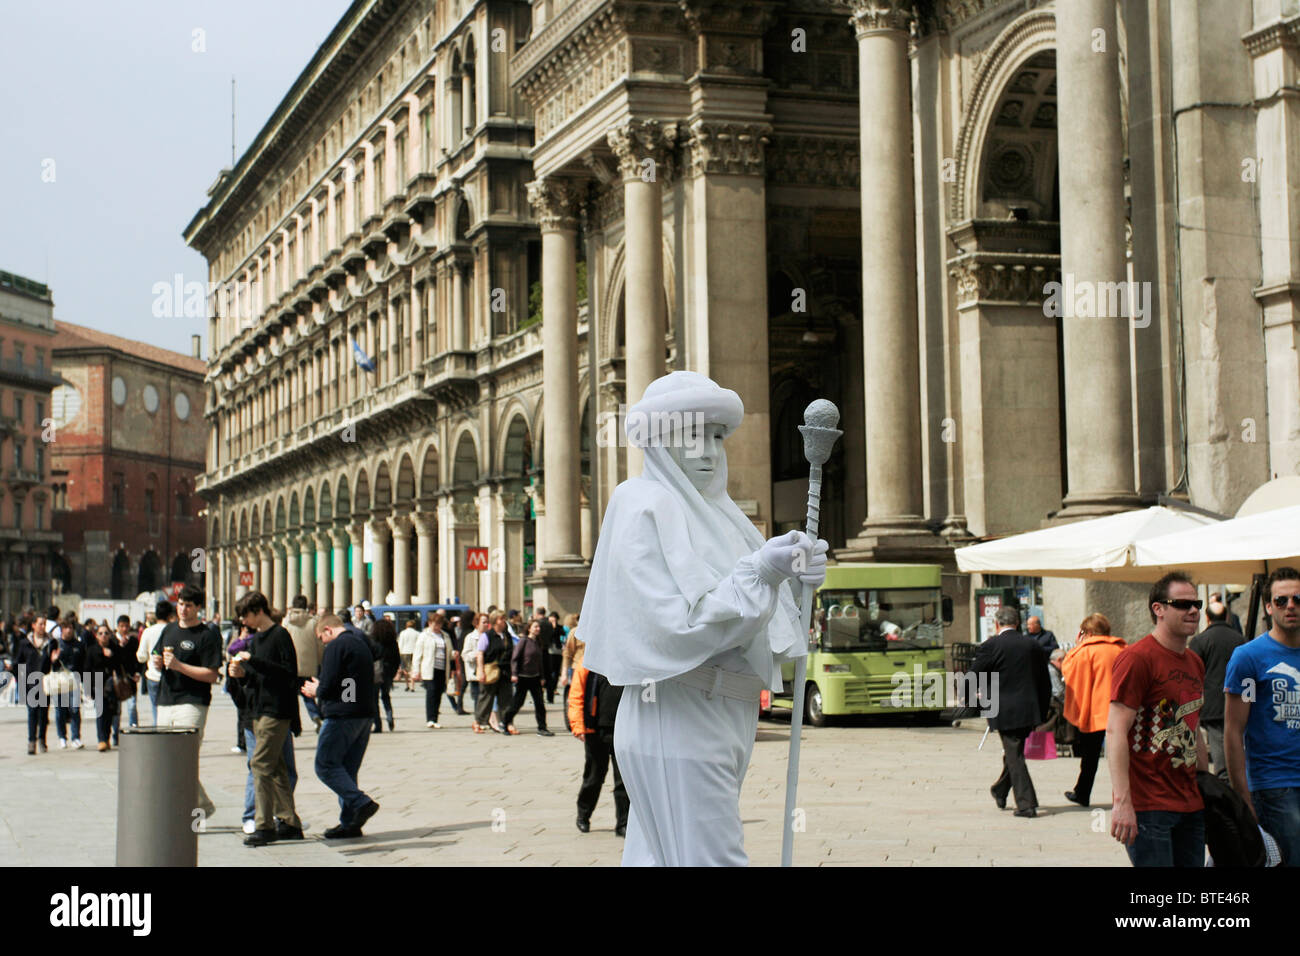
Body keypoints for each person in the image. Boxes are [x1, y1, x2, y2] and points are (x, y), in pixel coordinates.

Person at [579, 371, 822, 866]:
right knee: (712, 859)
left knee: (661, 859)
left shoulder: (722, 515)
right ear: (663, 444)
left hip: (722, 714)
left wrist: (794, 576)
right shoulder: (641, 502)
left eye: (716, 436)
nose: (710, 451)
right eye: (693, 436)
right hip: (678, 712)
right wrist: (762, 572)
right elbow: (675, 627)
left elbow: (754, 617)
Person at [1107, 570, 1207, 867]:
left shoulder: (1195, 662)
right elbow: (1114, 732)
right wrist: (1122, 802)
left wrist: (1206, 784)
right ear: (1158, 609)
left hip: (1191, 803)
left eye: (1197, 604)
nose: (1192, 611)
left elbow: (1193, 726)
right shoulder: (1137, 658)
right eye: (1182, 604)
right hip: (1149, 806)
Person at [1224, 565, 1300, 865]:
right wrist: (1242, 797)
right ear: (1268, 607)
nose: (1290, 606)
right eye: (1281, 600)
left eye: (1298, 599)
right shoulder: (1250, 658)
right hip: (1275, 786)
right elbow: (1233, 731)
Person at [228, 590, 304, 847]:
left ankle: (264, 825)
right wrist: (240, 673)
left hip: (277, 710)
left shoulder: (280, 635)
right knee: (277, 768)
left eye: (245, 616)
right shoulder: (255, 639)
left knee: (259, 765)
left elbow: (288, 673)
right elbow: (254, 678)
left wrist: (255, 662)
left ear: (259, 611)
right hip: (258, 710)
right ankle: (290, 822)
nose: (243, 622)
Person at [303, 614, 381, 839]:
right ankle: (350, 823)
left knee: (325, 765)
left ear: (328, 630)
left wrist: (316, 690)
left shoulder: (337, 646)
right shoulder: (360, 642)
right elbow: (349, 685)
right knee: (347, 770)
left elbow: (329, 684)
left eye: (321, 638)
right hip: (363, 714)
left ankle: (361, 803)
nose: (322, 643)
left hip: (342, 716)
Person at [972, 605, 1052, 818]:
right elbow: (1045, 681)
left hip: (1003, 709)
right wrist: (1042, 710)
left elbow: (974, 675)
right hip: (1030, 708)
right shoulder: (1032, 645)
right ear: (1017, 623)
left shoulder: (991, 645)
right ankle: (1000, 789)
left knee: (1014, 754)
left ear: (997, 623)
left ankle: (1026, 804)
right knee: (1014, 752)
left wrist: (976, 703)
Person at [153, 585, 222, 818]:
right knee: (167, 760)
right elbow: (157, 656)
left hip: (192, 702)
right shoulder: (169, 630)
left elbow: (212, 674)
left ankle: (185, 810)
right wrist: (156, 663)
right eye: (180, 604)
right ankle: (200, 804)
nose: (183, 609)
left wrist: (179, 666)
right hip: (165, 700)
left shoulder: (206, 635)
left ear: (198, 608)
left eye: (188, 605)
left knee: (183, 758)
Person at [1061, 612, 1126, 806]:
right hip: (1121, 709)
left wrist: (1078, 645)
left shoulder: (1084, 651)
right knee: (1123, 755)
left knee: (1090, 757)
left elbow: (1067, 670)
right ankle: (1124, 795)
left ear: (1087, 632)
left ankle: (1082, 793)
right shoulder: (1122, 649)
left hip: (1096, 711)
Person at [569, 663, 628, 835]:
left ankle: (623, 823)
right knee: (594, 777)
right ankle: (583, 815)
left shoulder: (627, 663)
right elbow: (576, 696)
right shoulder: (588, 665)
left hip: (622, 729)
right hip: (595, 730)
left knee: (624, 781)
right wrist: (578, 725)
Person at [1189, 599, 1246, 779]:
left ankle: (1225, 788)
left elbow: (1194, 676)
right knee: (1238, 746)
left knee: (1220, 753)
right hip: (1240, 701)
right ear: (1227, 617)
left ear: (1207, 617)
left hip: (1213, 705)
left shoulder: (1199, 641)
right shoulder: (1241, 640)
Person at [502, 619, 553, 736]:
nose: (538, 629)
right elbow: (515, 658)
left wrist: (542, 677)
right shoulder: (523, 641)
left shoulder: (538, 642)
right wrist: (514, 674)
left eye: (538, 627)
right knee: (517, 703)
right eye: (535, 627)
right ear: (529, 628)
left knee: (539, 703)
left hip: (535, 677)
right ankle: (505, 722)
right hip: (523, 677)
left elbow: (540, 662)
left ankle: (542, 727)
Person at [282, 595, 323, 731]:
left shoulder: (287, 622)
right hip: (308, 665)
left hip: (290, 665)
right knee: (307, 693)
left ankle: (294, 724)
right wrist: (319, 660)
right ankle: (315, 715)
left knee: (291, 695)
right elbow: (319, 644)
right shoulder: (313, 622)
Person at [14, 619, 54, 754]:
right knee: (32, 712)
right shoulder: (25, 643)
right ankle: (32, 741)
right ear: (33, 625)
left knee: (43, 714)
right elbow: (19, 663)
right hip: (30, 683)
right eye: (40, 624)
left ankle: (42, 739)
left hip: (45, 683)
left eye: (44, 624)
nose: (43, 627)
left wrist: (55, 659)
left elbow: (57, 663)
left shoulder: (51, 642)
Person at [84, 623, 126, 752]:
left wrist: (112, 656)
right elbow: (87, 669)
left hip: (111, 684)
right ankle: (101, 739)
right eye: (101, 633)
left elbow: (120, 665)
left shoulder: (115, 648)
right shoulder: (92, 650)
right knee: (100, 713)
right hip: (97, 683)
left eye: (106, 633)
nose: (104, 636)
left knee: (110, 713)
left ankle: (106, 738)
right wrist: (87, 689)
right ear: (96, 636)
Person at [411, 612, 457, 728]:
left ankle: (435, 718)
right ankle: (430, 719)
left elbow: (449, 651)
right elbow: (417, 654)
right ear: (430, 623)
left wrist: (453, 654)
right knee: (431, 692)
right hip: (429, 668)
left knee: (439, 693)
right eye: (436, 623)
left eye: (440, 624)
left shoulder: (445, 636)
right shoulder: (424, 635)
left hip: (442, 668)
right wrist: (416, 670)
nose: (438, 626)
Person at [474, 612, 515, 734]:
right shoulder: (487, 636)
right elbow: (480, 654)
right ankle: (478, 722)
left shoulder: (507, 635)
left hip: (505, 672)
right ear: (496, 621)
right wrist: (481, 671)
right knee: (486, 699)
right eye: (502, 619)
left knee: (506, 700)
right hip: (490, 671)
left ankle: (508, 723)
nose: (504, 621)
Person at [52, 615, 86, 750]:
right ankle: (62, 737)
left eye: (70, 627)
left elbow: (83, 664)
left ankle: (76, 737)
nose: (68, 630)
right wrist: (53, 659)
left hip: (74, 681)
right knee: (60, 710)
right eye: (65, 628)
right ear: (61, 630)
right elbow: (50, 664)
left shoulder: (79, 645)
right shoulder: (56, 645)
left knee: (75, 709)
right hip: (59, 681)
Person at [137, 601, 171, 725]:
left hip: (153, 676)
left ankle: (158, 734)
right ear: (170, 615)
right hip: (171, 676)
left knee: (155, 710)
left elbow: (141, 656)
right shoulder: (173, 630)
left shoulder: (148, 631)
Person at [370, 618, 399, 733]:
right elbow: (397, 659)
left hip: (376, 672)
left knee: (374, 699)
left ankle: (378, 724)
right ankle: (389, 715)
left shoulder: (372, 641)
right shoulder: (393, 642)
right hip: (388, 671)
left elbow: (370, 657)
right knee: (386, 696)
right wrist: (394, 672)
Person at [559, 614, 583, 732]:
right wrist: (564, 673)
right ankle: (573, 722)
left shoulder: (598, 630)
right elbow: (567, 654)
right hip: (576, 669)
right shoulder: (575, 632)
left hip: (594, 671)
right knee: (575, 697)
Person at [461, 612, 486, 716]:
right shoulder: (470, 637)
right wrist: (477, 655)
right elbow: (465, 655)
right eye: (484, 622)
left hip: (489, 671)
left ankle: (487, 719)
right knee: (478, 697)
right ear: (477, 624)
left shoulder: (489, 636)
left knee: (486, 698)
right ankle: (479, 720)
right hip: (475, 672)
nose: (486, 624)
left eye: (487, 622)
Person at [398, 617, 419, 692]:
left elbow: (400, 644)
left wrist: (399, 653)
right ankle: (412, 686)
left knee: (405, 669)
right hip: (414, 652)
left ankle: (407, 685)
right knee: (412, 669)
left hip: (404, 652)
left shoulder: (403, 633)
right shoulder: (417, 633)